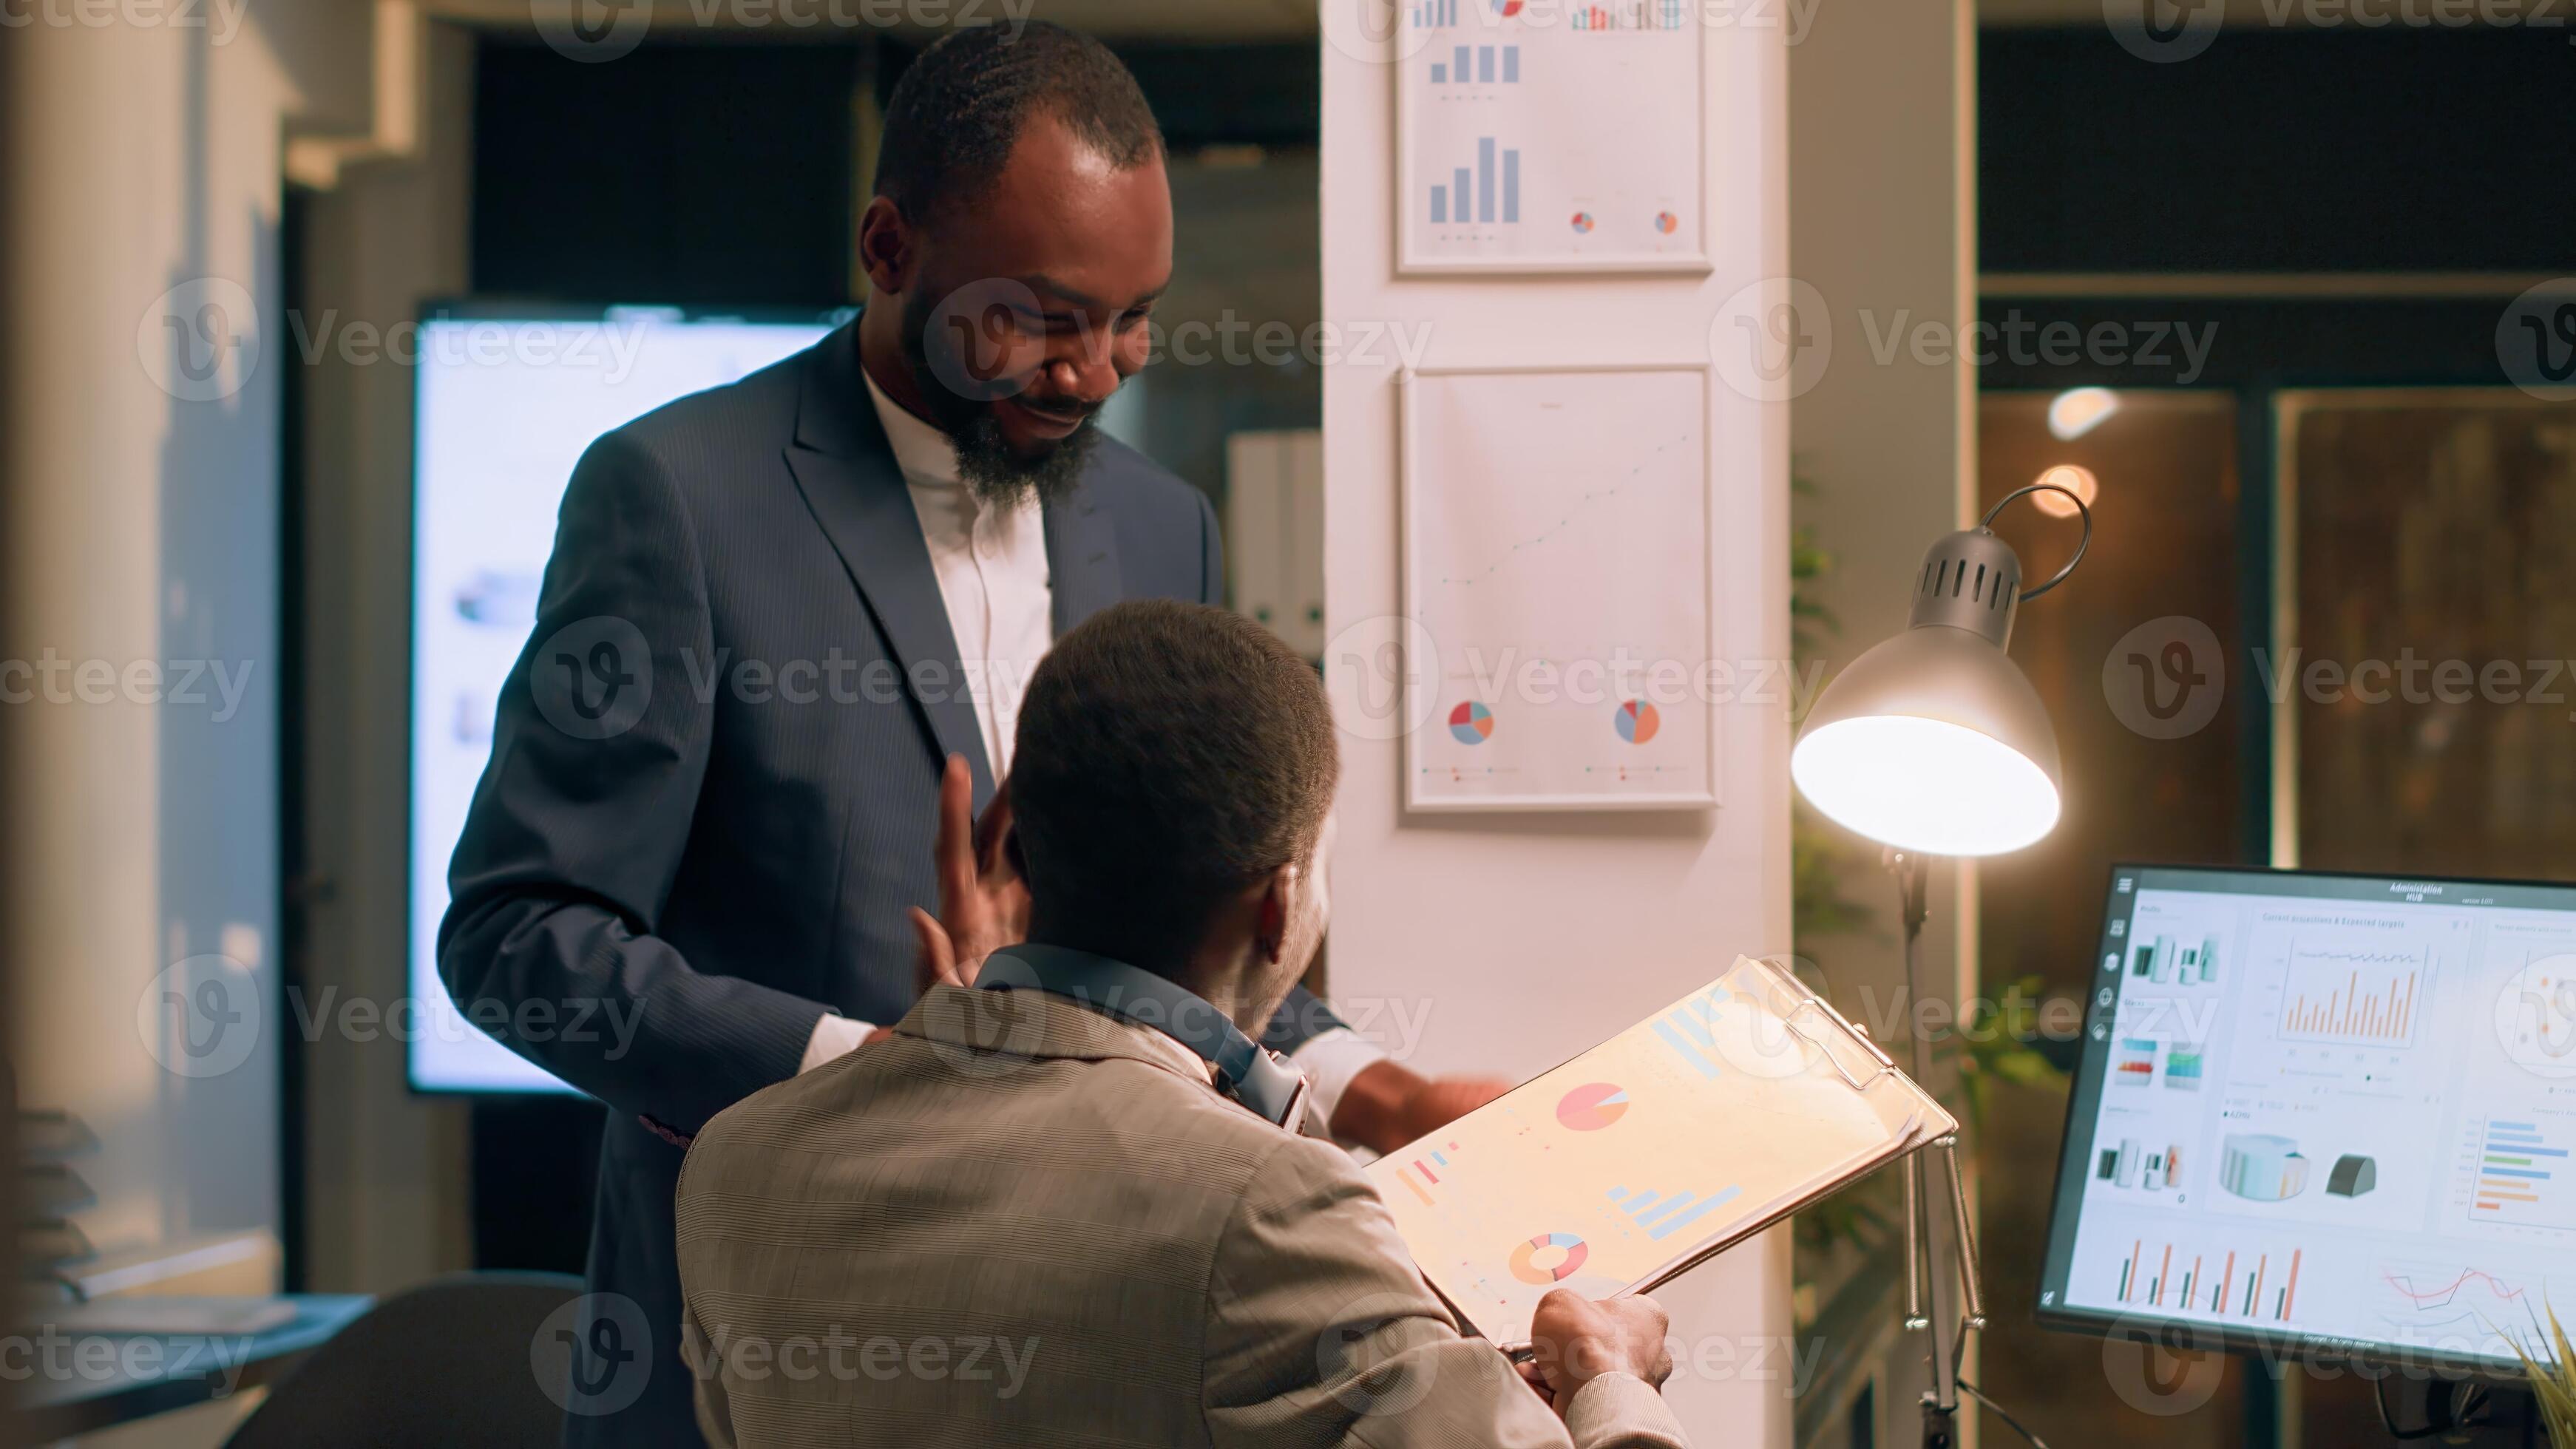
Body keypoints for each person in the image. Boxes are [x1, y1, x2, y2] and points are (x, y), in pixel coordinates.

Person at [438, 23, 1502, 1447]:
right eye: (1044, 317)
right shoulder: (674, 499)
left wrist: (1372, 1087)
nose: (1096, 371)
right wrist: (873, 1074)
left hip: (1098, 1353)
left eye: (1133, 319)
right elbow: (515, 935)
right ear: (888, 247)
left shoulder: (1158, 521)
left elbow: (1177, 916)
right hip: (746, 1358)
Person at [677, 600, 1687, 1448]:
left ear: (1018, 852)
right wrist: (1607, 1376)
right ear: (1281, 902)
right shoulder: (1268, 1206)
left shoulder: (740, 1162)